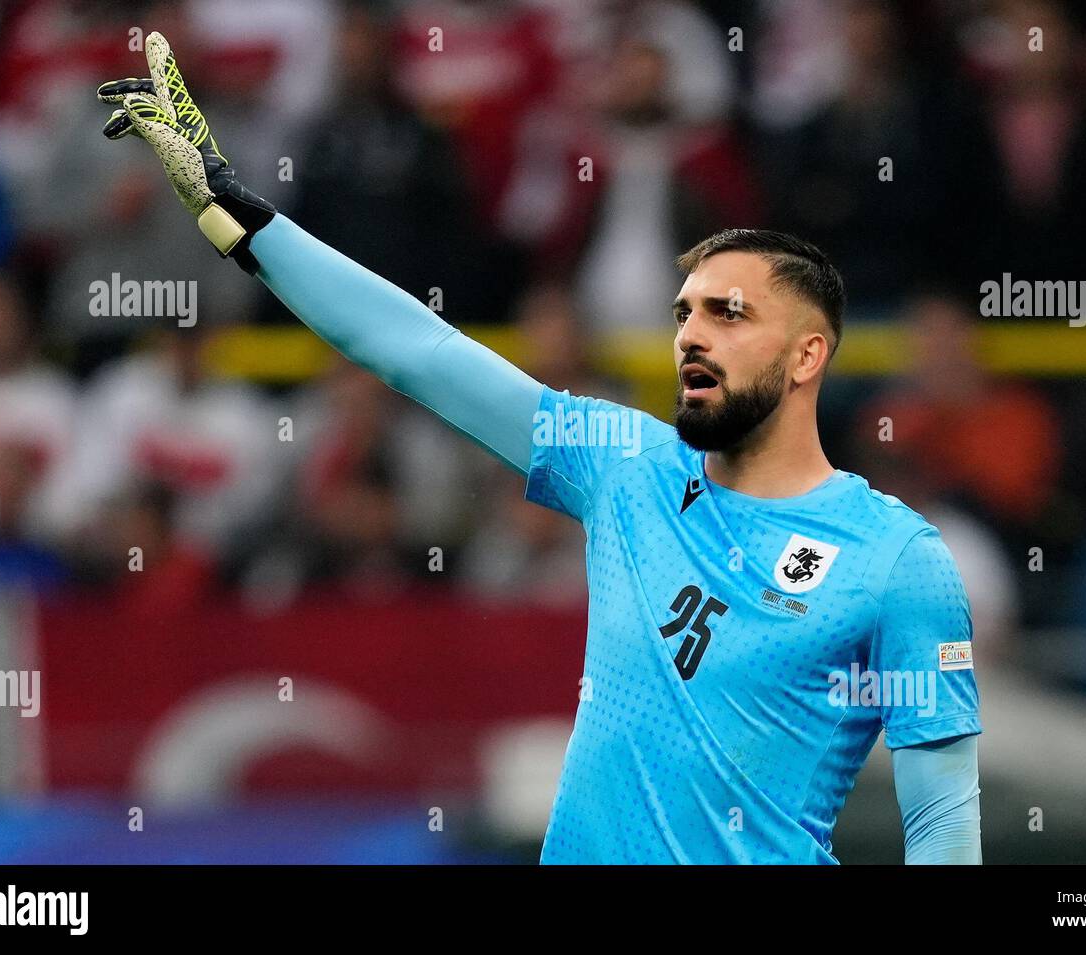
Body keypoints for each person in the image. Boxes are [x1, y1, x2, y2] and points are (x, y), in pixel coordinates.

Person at [91, 32, 982, 864]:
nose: (691, 338)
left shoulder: (897, 559)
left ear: (808, 355)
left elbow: (943, 817)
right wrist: (238, 217)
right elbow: (419, 351)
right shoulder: (628, 462)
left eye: (729, 313)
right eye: (684, 315)